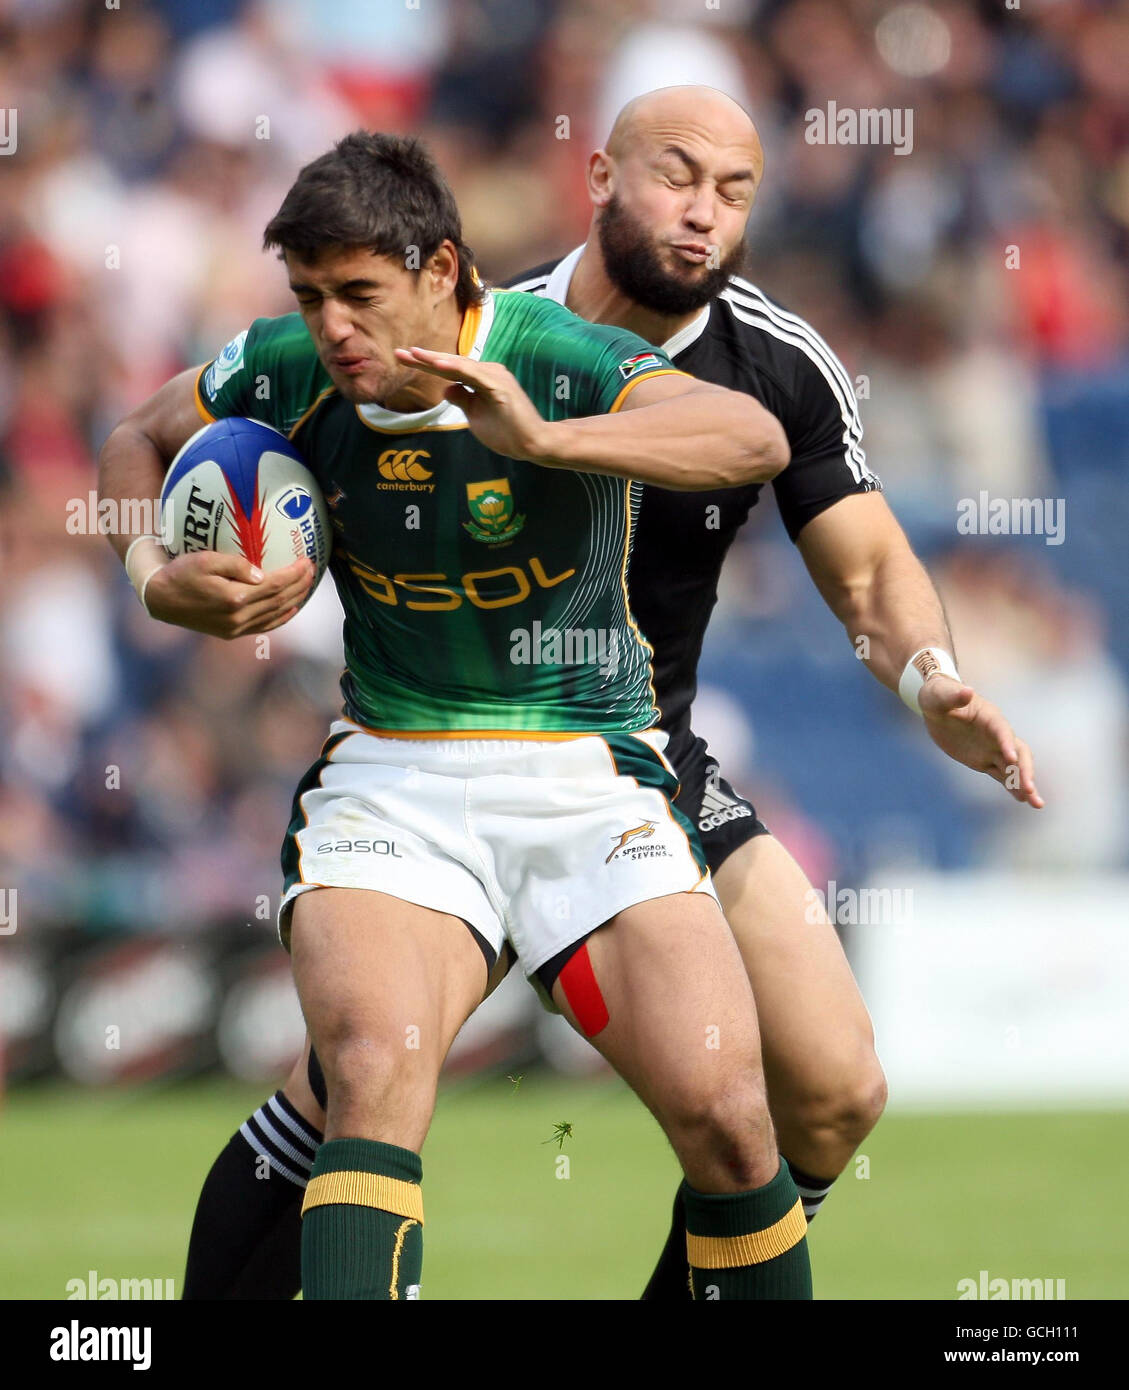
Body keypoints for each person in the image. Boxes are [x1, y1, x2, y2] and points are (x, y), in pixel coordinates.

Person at [180, 89, 1042, 1302]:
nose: (702, 216)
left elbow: (867, 566)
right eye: (676, 177)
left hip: (645, 756)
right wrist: (182, 562)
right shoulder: (468, 321)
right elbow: (201, 432)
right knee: (361, 1081)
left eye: (733, 193)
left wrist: (928, 674)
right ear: (599, 175)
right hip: (438, 742)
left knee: (831, 1091)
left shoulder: (777, 364)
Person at [100, 129, 810, 1301]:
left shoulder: (555, 353)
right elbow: (136, 435)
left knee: (733, 1117)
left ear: (441, 271)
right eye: (311, 294)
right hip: (396, 775)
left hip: (589, 773)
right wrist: (147, 571)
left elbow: (754, 438)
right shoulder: (282, 368)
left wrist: (546, 440)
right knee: (373, 1074)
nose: (331, 326)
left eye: (358, 294)